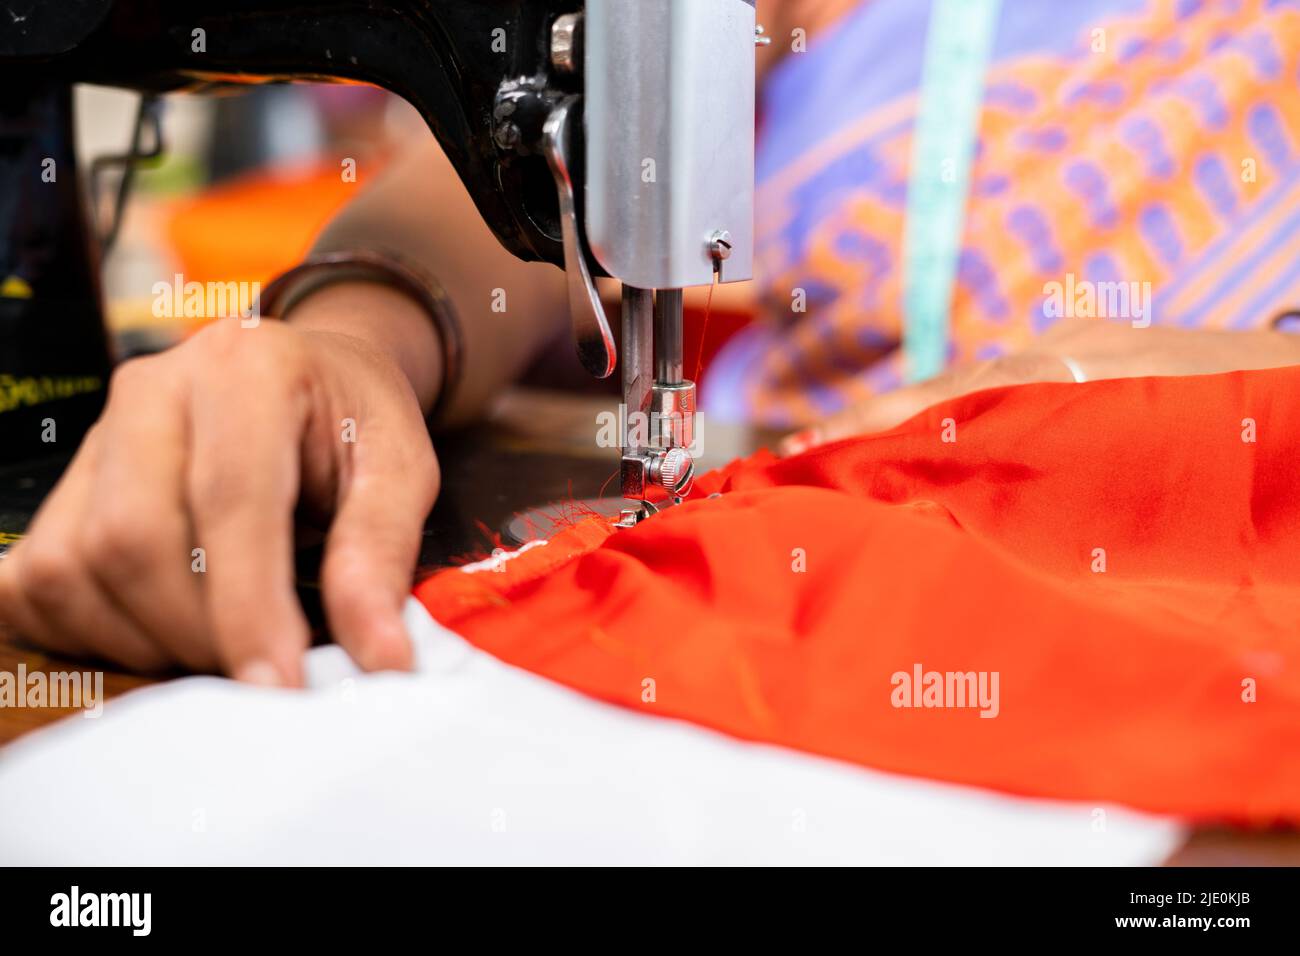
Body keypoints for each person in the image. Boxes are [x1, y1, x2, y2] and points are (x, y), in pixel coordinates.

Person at [4, 0, 1300, 685]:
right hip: (808, 616)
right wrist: (352, 341)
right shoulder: (802, 10)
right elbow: (500, 189)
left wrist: (1127, 403)